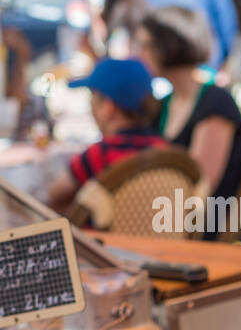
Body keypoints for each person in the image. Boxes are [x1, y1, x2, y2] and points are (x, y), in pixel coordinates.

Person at [134, 7, 241, 226]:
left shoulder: (215, 103)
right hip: (165, 217)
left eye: (145, 45)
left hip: (197, 226)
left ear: (168, 45)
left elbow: (198, 192)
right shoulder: (164, 103)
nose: (139, 55)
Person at [47, 58, 169, 216]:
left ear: (107, 108)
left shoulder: (98, 154)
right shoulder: (165, 150)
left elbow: (55, 195)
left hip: (103, 233)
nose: (90, 107)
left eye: (92, 99)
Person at [140, 0, 240, 72]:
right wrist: (223, 58)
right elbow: (226, 24)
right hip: (200, 58)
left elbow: (143, 17)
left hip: (162, 57)